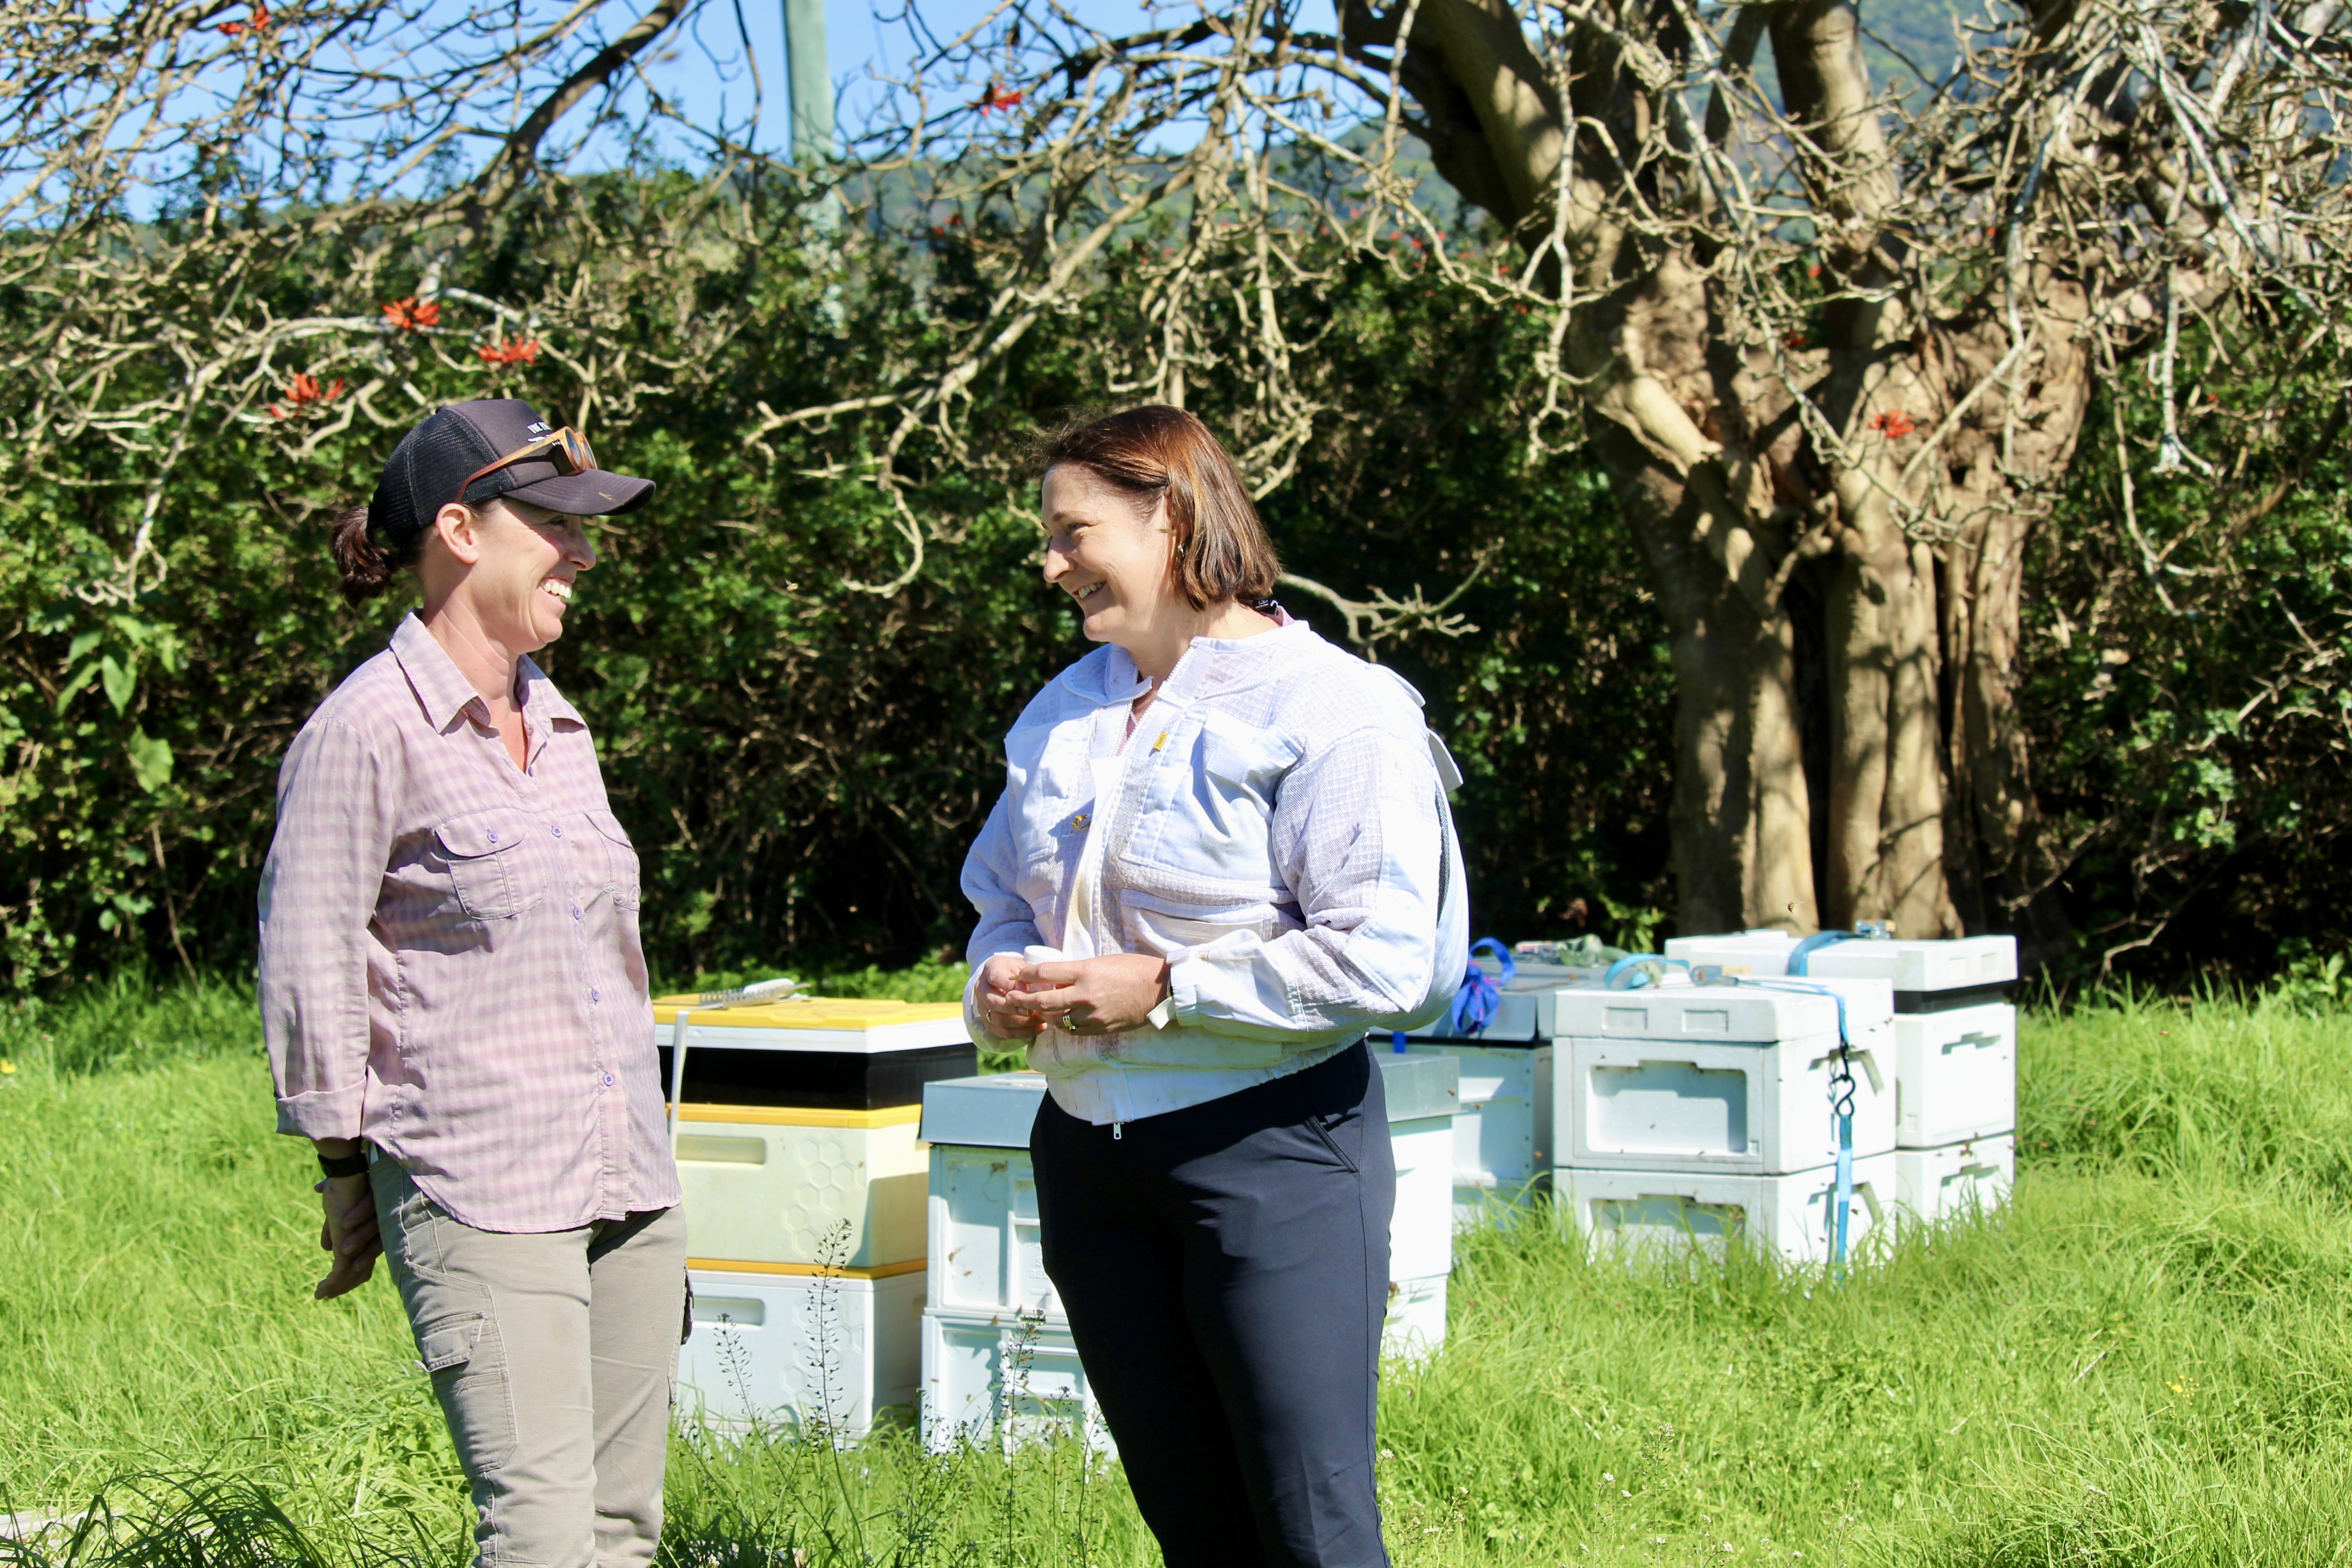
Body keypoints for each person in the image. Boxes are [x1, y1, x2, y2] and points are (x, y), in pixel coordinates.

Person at [960, 405, 1467, 1568]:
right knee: (1193, 1522)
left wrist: (1170, 988)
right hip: (1090, 1156)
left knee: (1311, 1528)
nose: (1052, 563)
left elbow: (1385, 958)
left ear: (1173, 518)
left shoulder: (1335, 707)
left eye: (1074, 530)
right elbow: (998, 892)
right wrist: (994, 981)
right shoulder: (1062, 711)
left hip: (1273, 1151)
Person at [259, 399, 685, 1568]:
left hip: (630, 1185)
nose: (586, 552)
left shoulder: (561, 726)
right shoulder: (363, 734)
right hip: (481, 1192)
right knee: (544, 1540)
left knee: (621, 1533)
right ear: (460, 530)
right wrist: (345, 1171)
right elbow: (307, 966)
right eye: (555, 525)